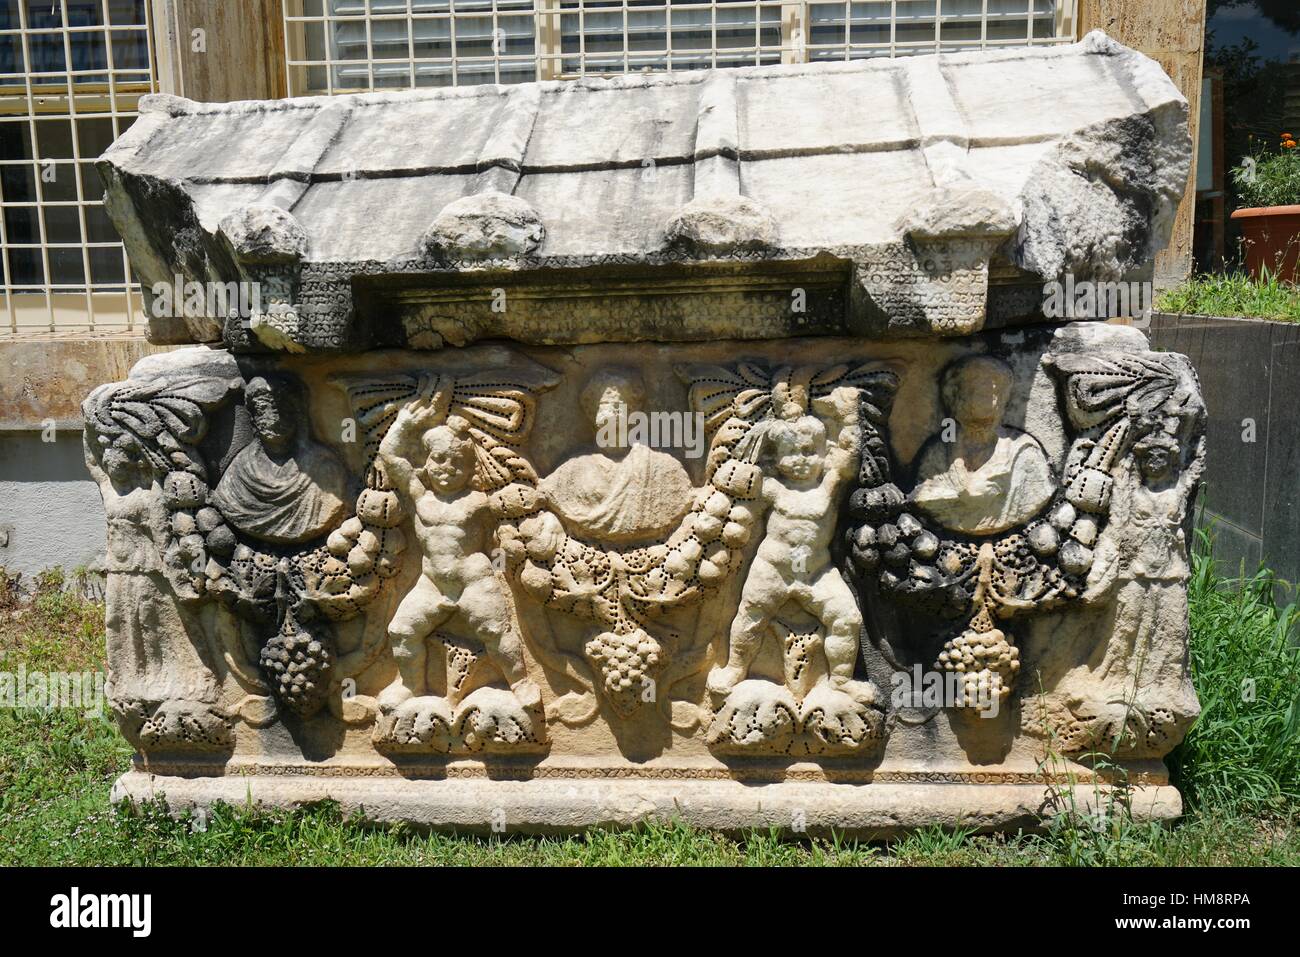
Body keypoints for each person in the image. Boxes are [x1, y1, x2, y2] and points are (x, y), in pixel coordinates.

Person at [376, 374, 539, 713]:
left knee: (496, 631)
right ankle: (410, 684)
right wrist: (405, 423)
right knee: (401, 631)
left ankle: (521, 682)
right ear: (426, 463)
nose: (447, 469)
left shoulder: (478, 501)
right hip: (432, 582)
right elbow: (390, 455)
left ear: (470, 468)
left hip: (472, 579)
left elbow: (517, 501)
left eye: (457, 463)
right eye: (438, 460)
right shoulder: (419, 497)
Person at [911, 355, 1053, 535]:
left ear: (1003, 397)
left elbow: (1037, 493)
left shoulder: (1024, 453)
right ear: (955, 396)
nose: (985, 391)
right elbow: (920, 496)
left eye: (993, 385)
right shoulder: (939, 451)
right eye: (973, 385)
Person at [211, 375, 348, 545]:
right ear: (253, 418)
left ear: (296, 413)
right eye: (262, 409)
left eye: (280, 408)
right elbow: (225, 503)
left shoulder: (323, 465)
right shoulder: (238, 472)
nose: (272, 419)